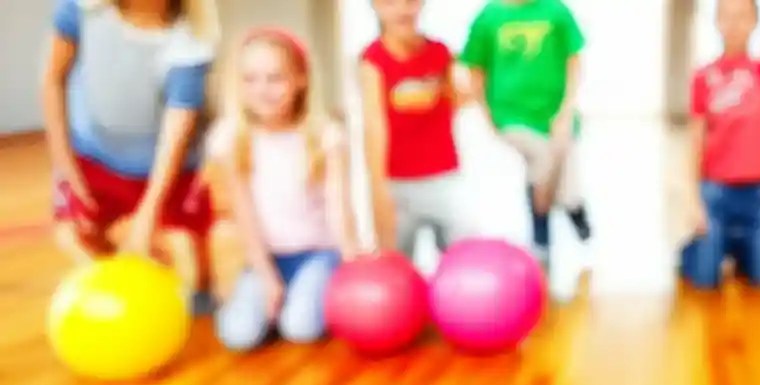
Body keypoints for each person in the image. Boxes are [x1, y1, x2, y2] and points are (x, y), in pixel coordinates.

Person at [42, 0, 221, 314]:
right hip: (95, 156)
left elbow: (177, 129)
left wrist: (148, 215)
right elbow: (53, 79)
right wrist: (65, 164)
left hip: (169, 166)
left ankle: (204, 288)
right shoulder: (81, 10)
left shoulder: (191, 38)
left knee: (190, 259)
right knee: (75, 235)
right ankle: (119, 276)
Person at [208, 28, 359, 352]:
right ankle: (278, 299)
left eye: (275, 78)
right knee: (237, 336)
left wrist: (353, 264)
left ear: (300, 79)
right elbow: (244, 215)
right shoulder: (232, 137)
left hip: (319, 254)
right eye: (250, 79)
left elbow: (339, 207)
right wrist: (265, 276)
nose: (263, 90)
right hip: (266, 256)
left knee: (301, 329)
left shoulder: (325, 134)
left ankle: (302, 299)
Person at [459, 0, 592, 275]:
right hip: (510, 116)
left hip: (556, 116)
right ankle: (541, 237)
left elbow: (574, 61)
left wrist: (566, 112)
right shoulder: (487, 17)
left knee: (568, 187)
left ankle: (577, 217)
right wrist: (487, 116)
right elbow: (476, 70)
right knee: (543, 161)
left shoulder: (556, 11)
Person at [679, 0, 760, 290]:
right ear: (715, 22)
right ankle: (693, 250)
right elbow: (695, 140)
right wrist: (693, 200)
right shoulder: (703, 77)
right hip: (716, 195)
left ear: (755, 22)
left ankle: (735, 249)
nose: (734, 24)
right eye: (726, 16)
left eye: (742, 16)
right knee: (703, 283)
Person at [359, 0, 469, 263]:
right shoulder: (373, 60)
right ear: (375, 6)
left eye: (410, 1)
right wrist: (378, 189)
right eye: (390, 3)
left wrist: (470, 82)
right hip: (397, 183)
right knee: (396, 262)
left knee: (462, 256)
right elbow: (374, 127)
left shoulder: (441, 53)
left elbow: (459, 99)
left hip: (444, 176)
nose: (402, 10)